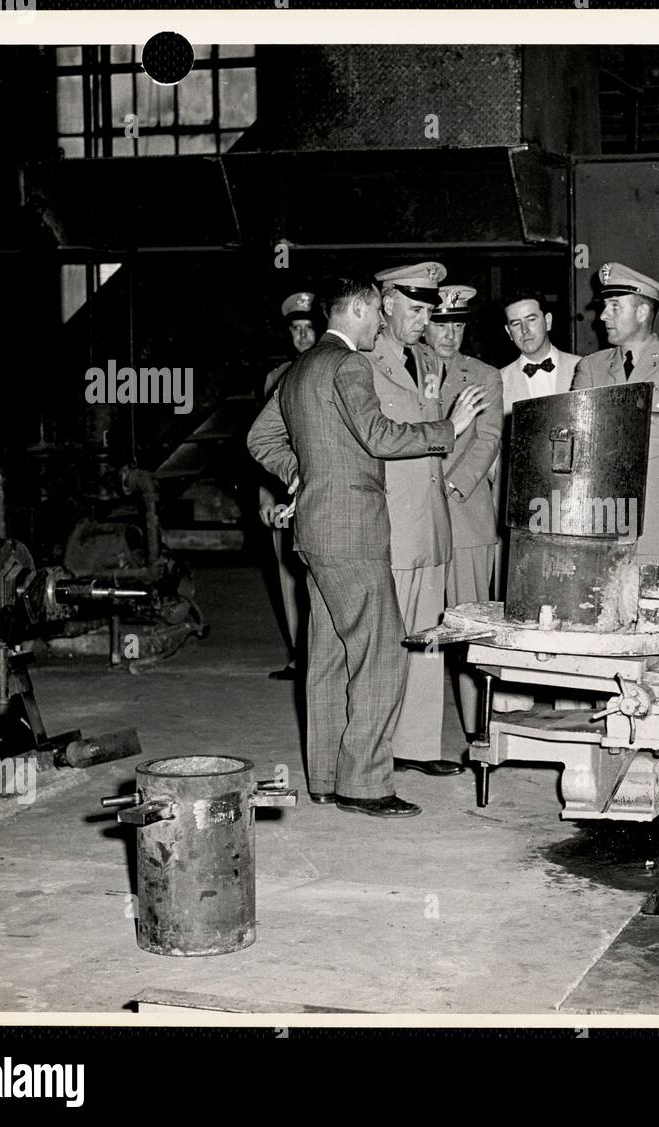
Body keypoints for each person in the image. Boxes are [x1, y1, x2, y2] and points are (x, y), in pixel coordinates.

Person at [246, 276, 486, 818]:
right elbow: (378, 436)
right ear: (357, 308)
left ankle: (326, 779)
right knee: (381, 656)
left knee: (328, 658)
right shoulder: (349, 364)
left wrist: (304, 476)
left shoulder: (300, 368)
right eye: (379, 312)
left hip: (315, 532)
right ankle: (365, 785)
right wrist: (449, 427)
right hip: (353, 532)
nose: (382, 323)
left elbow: (260, 439)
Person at [368, 262, 463, 776]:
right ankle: (377, 750)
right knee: (387, 638)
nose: (425, 320)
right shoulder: (362, 359)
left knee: (428, 636)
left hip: (429, 517)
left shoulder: (427, 359)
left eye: (429, 310)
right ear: (385, 304)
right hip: (389, 516)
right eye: (416, 308)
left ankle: (418, 747)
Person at [571, 262, 659, 566]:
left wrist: (601, 435)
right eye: (605, 306)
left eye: (614, 307)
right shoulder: (591, 367)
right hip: (599, 521)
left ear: (642, 312)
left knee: (658, 612)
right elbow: (577, 429)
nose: (603, 315)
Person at [425, 285, 504, 737]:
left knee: (472, 629)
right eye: (440, 323)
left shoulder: (484, 375)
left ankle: (480, 728)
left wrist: (452, 485)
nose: (450, 334)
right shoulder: (402, 370)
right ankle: (418, 736)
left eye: (457, 324)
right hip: (414, 517)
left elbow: (488, 439)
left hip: (465, 513)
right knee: (419, 628)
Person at [258, 291, 318, 681]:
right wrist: (264, 495)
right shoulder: (276, 378)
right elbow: (265, 442)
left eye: (308, 328)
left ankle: (320, 658)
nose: (301, 337)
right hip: (285, 492)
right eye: (295, 330)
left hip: (321, 490)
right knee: (288, 576)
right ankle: (299, 655)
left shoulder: (339, 370)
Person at [499, 290, 579, 413]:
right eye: (516, 324)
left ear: (548, 321)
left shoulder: (581, 367)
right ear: (509, 332)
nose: (524, 330)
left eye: (531, 320)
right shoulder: (499, 382)